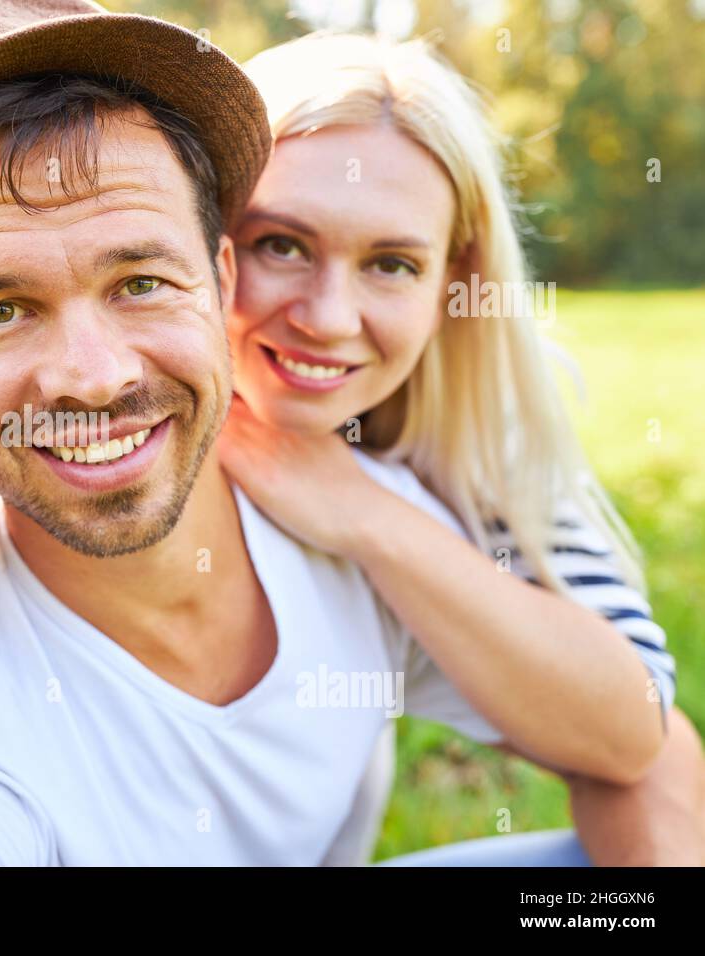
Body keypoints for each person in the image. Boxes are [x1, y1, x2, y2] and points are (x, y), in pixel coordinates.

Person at [0, 0, 651, 864]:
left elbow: (628, 740)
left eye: (139, 282)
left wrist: (367, 520)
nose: (95, 376)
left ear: (219, 278)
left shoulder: (336, 498)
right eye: (3, 308)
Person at [217, 33, 703, 864]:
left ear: (453, 281)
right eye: (281, 245)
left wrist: (367, 516)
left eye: (392, 264)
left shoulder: (478, 428)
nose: (328, 317)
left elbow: (636, 735)